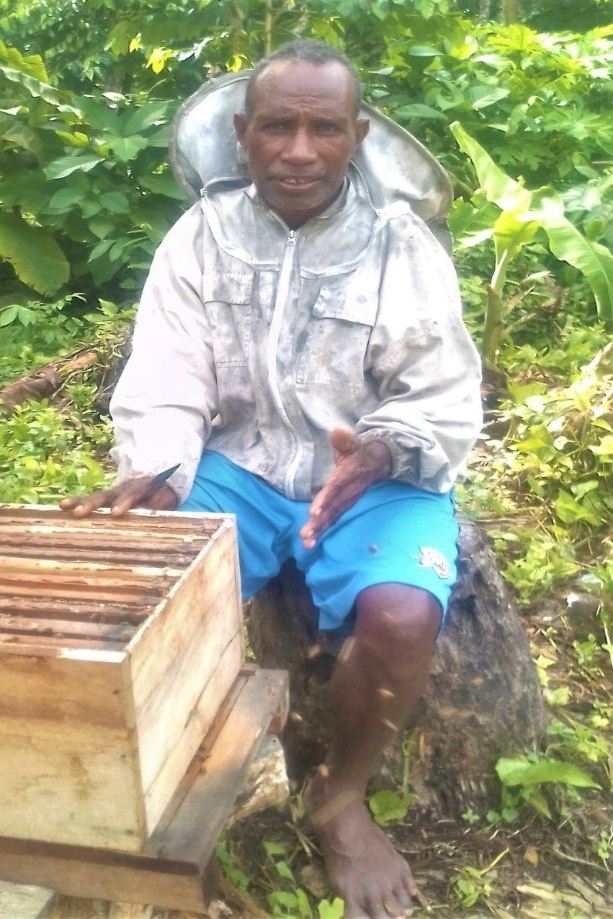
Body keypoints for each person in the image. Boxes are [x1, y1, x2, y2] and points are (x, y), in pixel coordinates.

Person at [61, 39, 482, 919]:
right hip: (240, 466)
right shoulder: (202, 236)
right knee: (135, 591)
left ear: (355, 136)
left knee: (403, 614)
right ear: (242, 134)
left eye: (323, 128)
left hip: (375, 473)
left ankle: (342, 794)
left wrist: (383, 447)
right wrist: (164, 472)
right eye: (277, 126)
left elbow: (442, 391)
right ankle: (159, 780)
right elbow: (169, 371)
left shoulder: (399, 244)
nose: (299, 150)